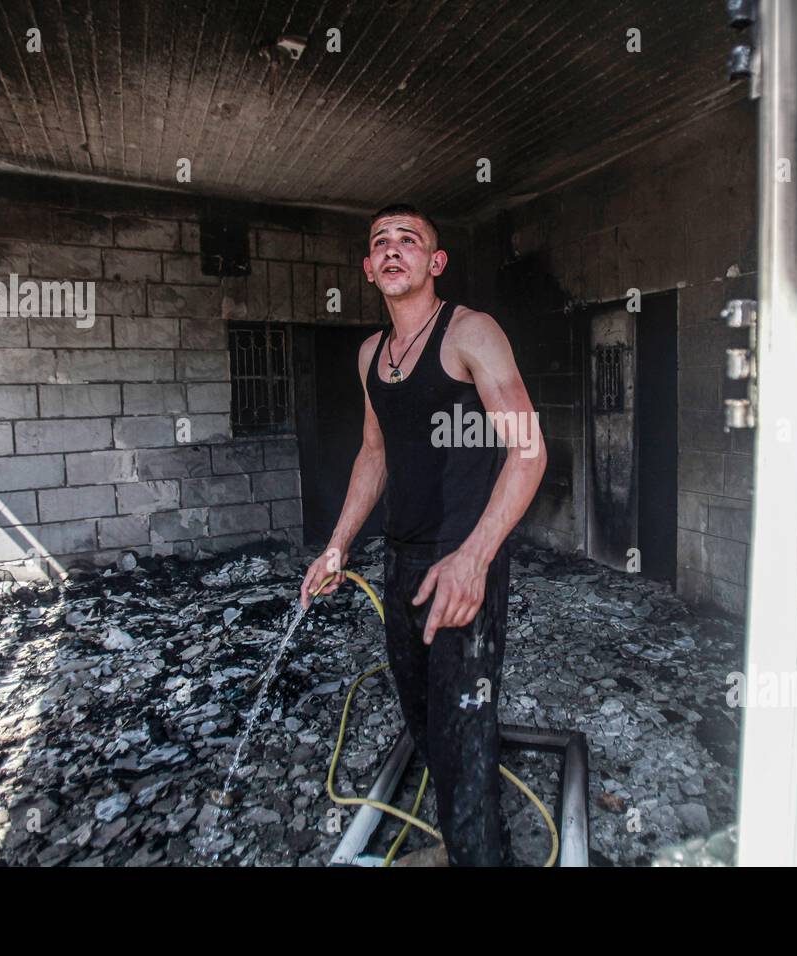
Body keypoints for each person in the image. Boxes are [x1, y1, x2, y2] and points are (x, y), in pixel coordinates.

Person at [300, 203, 547, 865]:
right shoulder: (369, 355)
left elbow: (528, 451)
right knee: (425, 722)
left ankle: (477, 853)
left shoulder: (472, 333)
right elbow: (374, 454)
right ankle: (466, 840)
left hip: (465, 562)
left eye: (409, 240)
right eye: (380, 241)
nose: (392, 249)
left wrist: (474, 558)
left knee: (464, 731)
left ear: (435, 263)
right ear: (367, 267)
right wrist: (338, 544)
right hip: (402, 561)